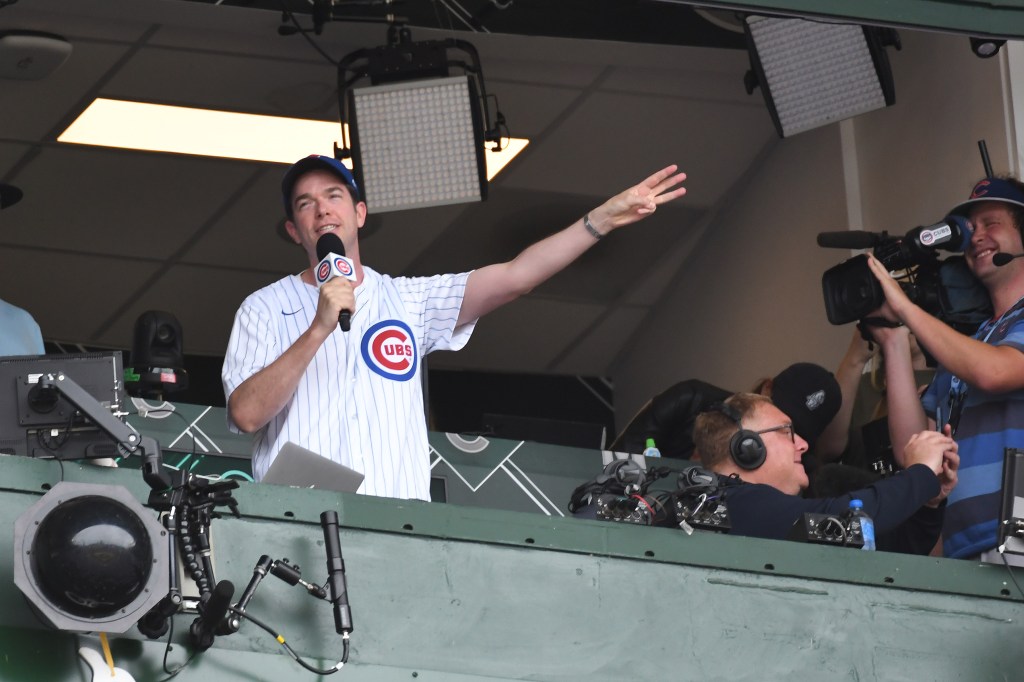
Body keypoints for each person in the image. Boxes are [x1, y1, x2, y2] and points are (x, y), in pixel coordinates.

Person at [223, 155, 687, 500]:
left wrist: (601, 219)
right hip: (299, 521)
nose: (322, 210)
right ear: (294, 230)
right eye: (305, 204)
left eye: (333, 196)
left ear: (359, 214)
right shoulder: (264, 307)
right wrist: (318, 329)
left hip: (397, 527)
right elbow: (245, 414)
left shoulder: (407, 300)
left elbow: (516, 276)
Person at [867, 176, 1024, 561]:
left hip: (1018, 540)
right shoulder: (972, 341)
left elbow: (995, 372)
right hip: (963, 551)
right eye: (970, 228)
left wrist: (906, 307)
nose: (976, 236)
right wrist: (892, 338)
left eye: (991, 223)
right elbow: (914, 448)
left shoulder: (978, 351)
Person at [692, 393, 958, 554]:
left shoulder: (764, 515)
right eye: (786, 431)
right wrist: (920, 472)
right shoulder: (728, 502)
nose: (803, 445)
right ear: (747, 448)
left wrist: (928, 503)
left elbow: (893, 550)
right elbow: (843, 517)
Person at [611, 362, 841, 461]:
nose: (778, 429)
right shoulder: (690, 400)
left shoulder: (796, 466)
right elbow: (617, 463)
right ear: (766, 388)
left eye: (792, 431)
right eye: (778, 412)